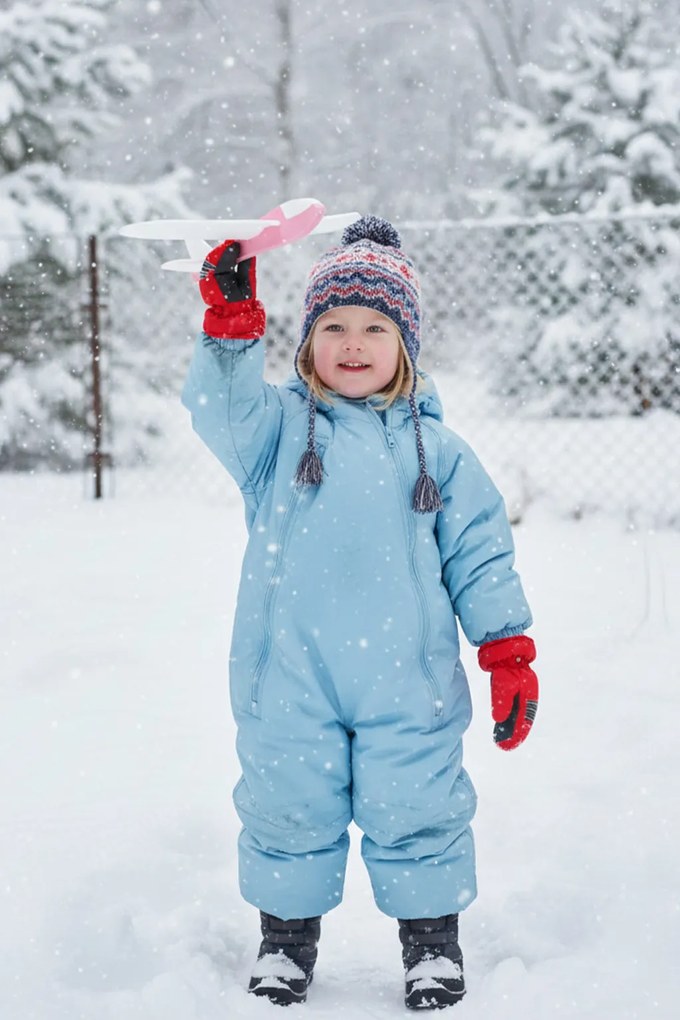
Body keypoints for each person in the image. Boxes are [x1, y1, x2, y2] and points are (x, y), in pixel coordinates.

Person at [181, 216, 539, 1010]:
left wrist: (507, 648)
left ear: (404, 344)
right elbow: (221, 410)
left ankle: (431, 945)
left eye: (375, 327)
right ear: (306, 340)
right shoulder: (272, 433)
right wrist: (232, 329)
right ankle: (285, 941)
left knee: (417, 801)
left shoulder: (438, 452)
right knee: (287, 802)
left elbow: (480, 553)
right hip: (289, 675)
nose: (352, 343)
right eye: (333, 326)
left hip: (406, 680)